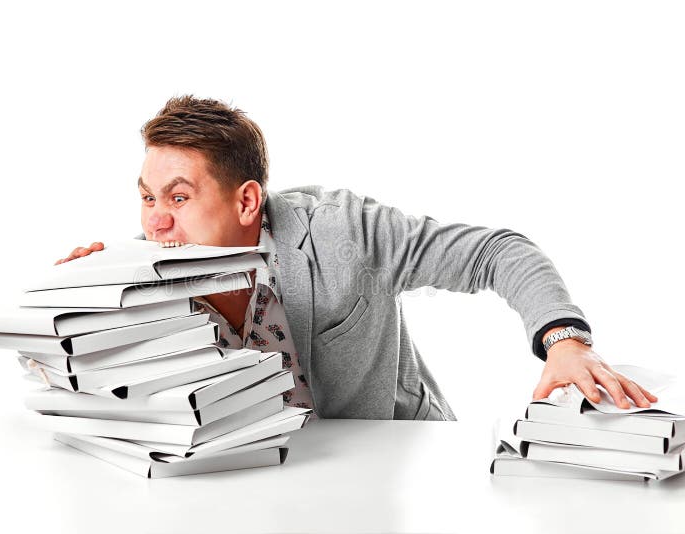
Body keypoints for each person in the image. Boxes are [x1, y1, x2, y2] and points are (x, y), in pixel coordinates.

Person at [56, 95, 658, 420]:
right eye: (146, 198)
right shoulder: (141, 273)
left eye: (179, 198)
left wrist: (565, 340)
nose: (155, 220)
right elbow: (104, 401)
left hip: (396, 463)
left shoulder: (343, 230)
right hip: (242, 485)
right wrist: (80, 318)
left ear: (246, 201)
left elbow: (495, 252)